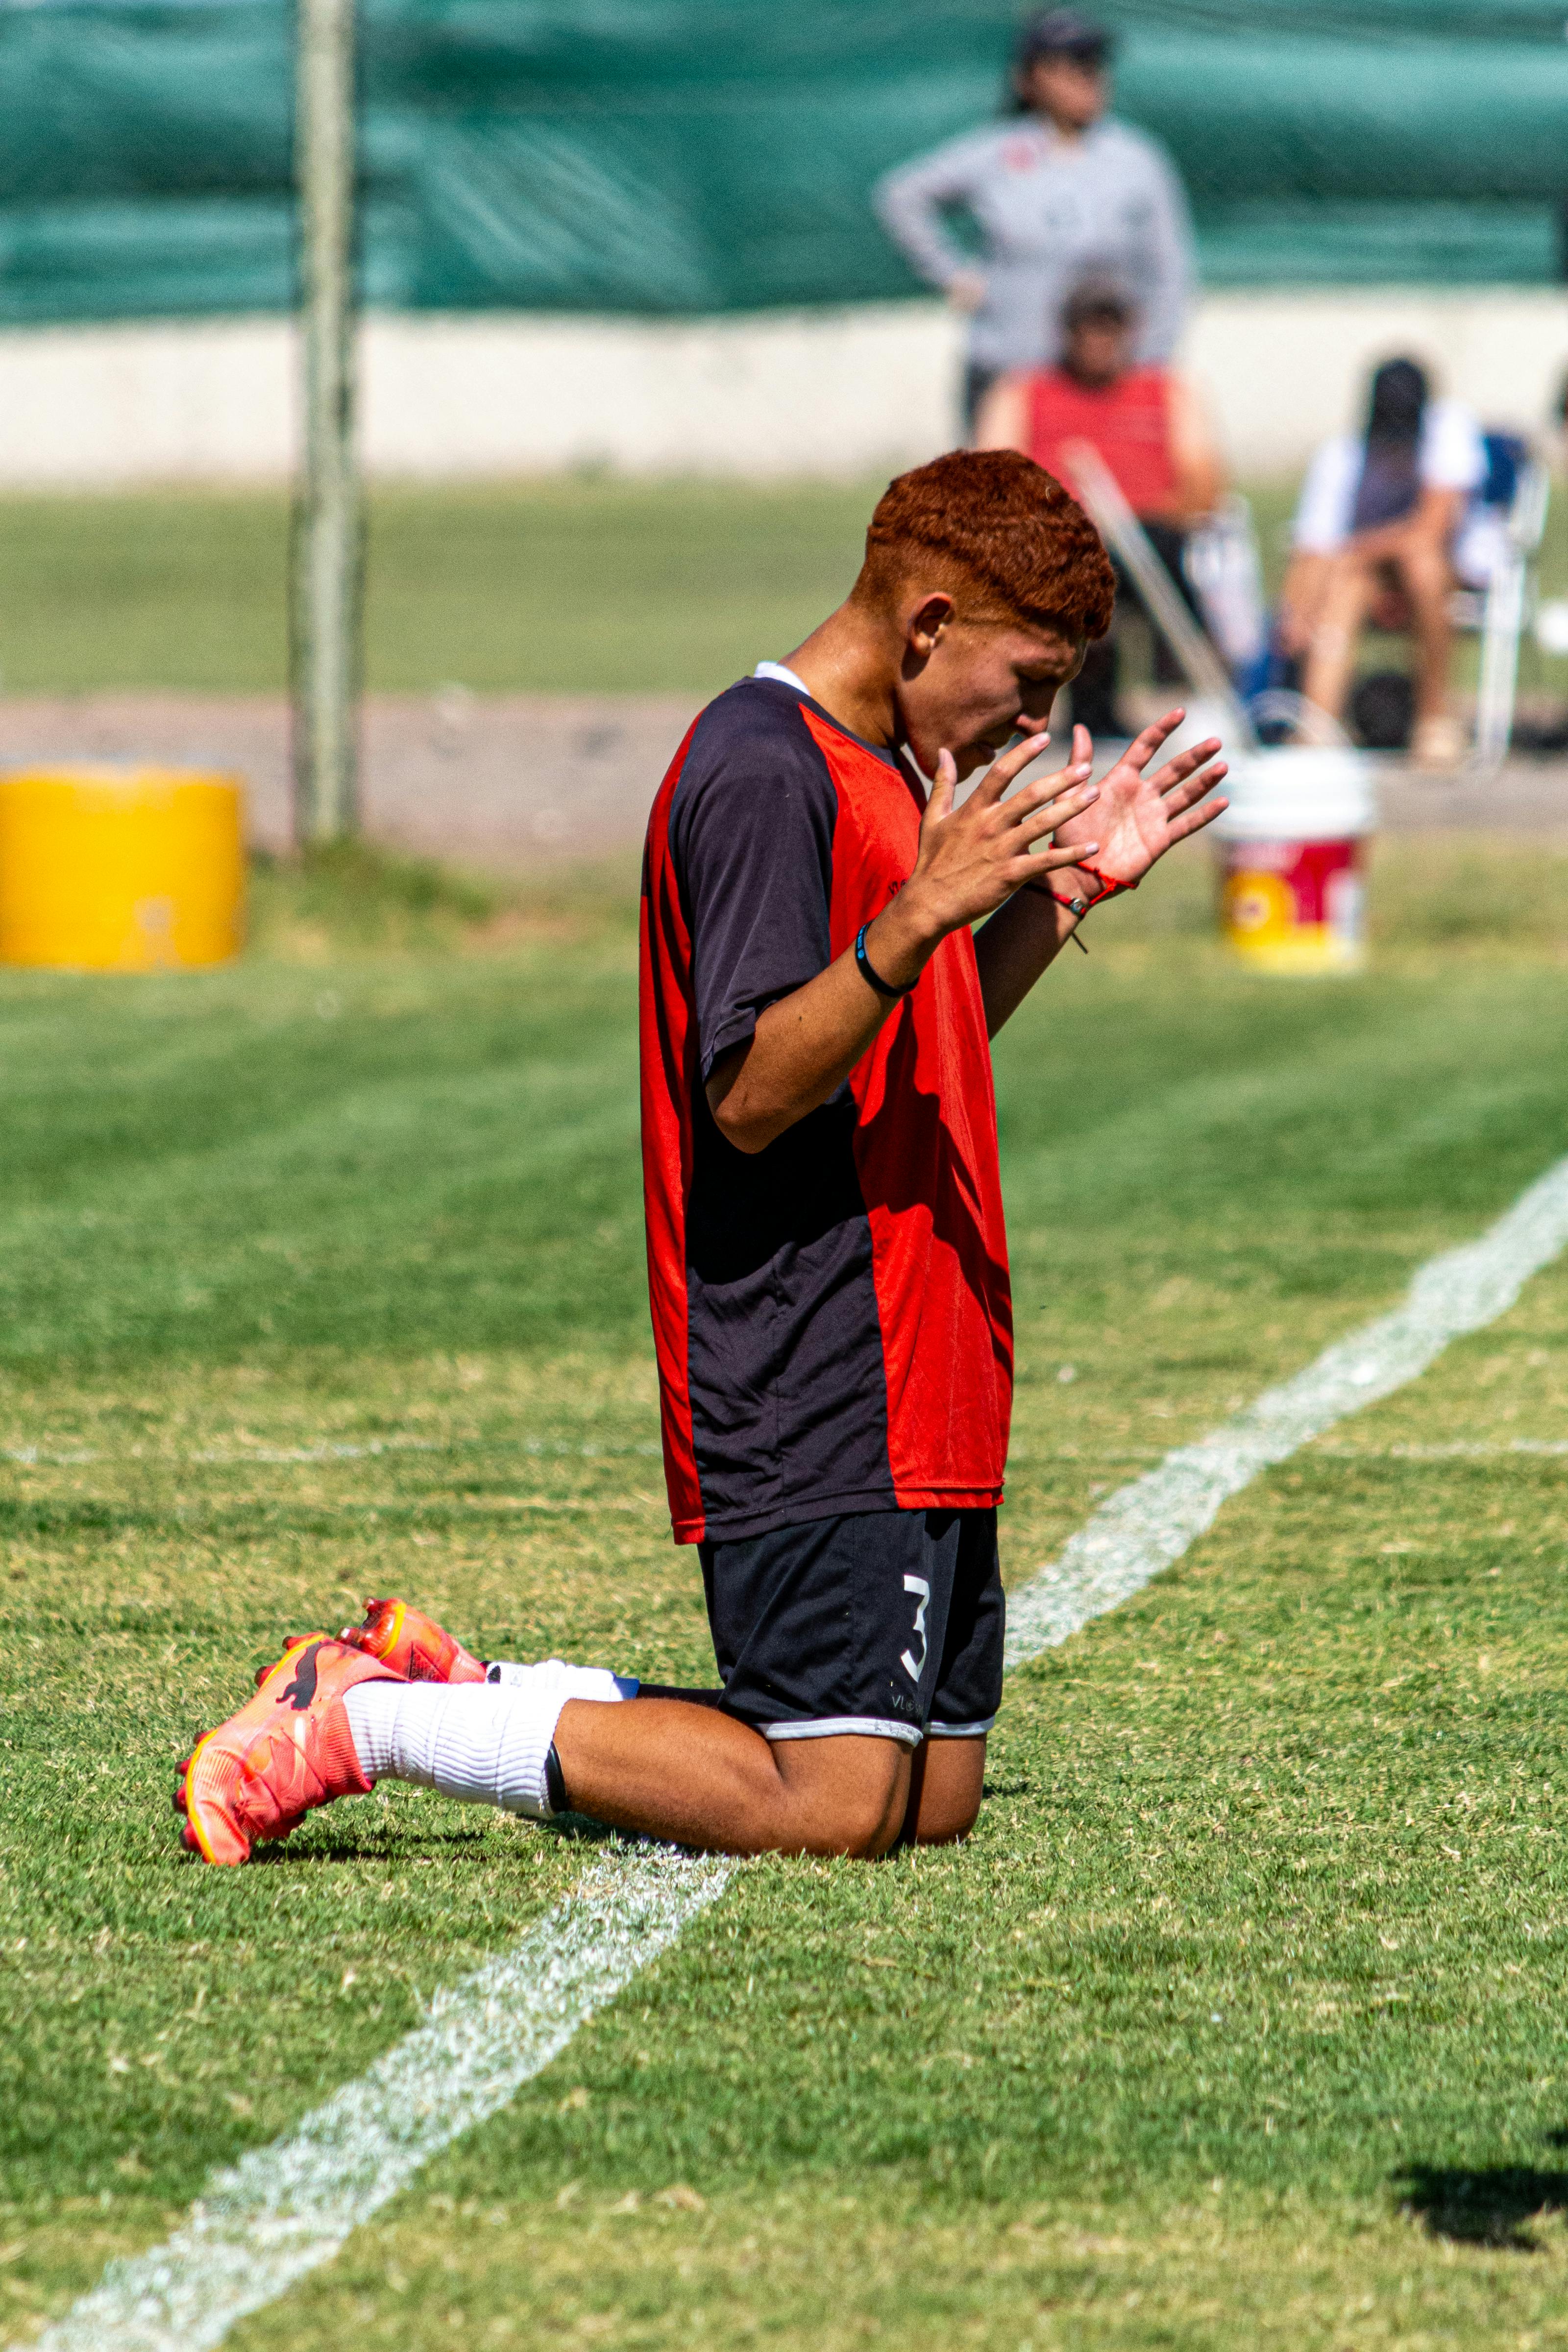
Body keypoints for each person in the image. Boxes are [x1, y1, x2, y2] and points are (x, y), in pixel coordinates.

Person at [174, 449, 1227, 1869]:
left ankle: (463, 1692)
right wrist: (919, 915)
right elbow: (745, 1090)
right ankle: (370, 1724)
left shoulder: (888, 767)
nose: (1035, 719)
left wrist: (1050, 903)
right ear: (926, 624)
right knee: (836, 1803)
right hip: (817, 1345)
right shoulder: (759, 765)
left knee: (930, 1797)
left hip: (930, 1352)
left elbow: (920, 1040)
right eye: (1027, 677)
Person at [874, 8, 1196, 431]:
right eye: (1071, 66)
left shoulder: (1135, 160)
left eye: (1095, 65)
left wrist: (1150, 358)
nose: (1089, 77)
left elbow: (1169, 269)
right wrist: (954, 274)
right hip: (1011, 369)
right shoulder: (999, 153)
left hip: (1100, 380)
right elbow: (903, 196)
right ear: (1030, 79)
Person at [976, 279, 1224, 736]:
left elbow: (1203, 486)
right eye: (1087, 327)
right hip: (1051, 544)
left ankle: (1193, 695)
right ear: (1066, 331)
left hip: (1150, 540)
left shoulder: (1165, 392)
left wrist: (1136, 520)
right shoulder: (1025, 392)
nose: (1098, 340)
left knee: (1155, 561)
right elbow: (990, 484)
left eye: (1109, 328)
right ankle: (1058, 708)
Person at [1278, 357, 1485, 767]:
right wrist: (1297, 610)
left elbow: (1432, 529)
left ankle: (1434, 718)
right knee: (1344, 586)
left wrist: (1348, 554)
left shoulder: (1450, 431)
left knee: (1419, 564)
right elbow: (1313, 546)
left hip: (1450, 573)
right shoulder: (1342, 455)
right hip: (1369, 577)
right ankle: (1317, 726)